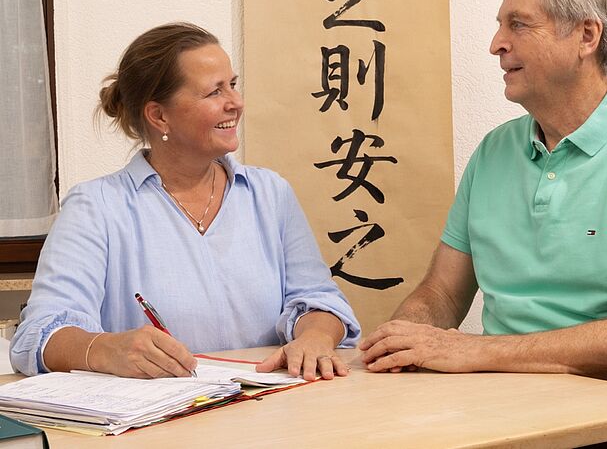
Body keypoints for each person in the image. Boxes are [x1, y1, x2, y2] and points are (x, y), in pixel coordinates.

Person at [360, 0, 607, 448]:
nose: (496, 44)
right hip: (504, 425)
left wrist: (474, 352)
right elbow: (441, 294)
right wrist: (402, 342)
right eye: (499, 25)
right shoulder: (494, 151)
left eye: (518, 24)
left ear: (587, 36)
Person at [11, 22, 360, 382]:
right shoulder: (95, 206)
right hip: (162, 413)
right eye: (214, 92)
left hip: (271, 406)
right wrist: (105, 348)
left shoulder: (270, 193)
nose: (236, 103)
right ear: (159, 115)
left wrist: (316, 337)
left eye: (233, 85)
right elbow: (38, 335)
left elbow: (319, 299)